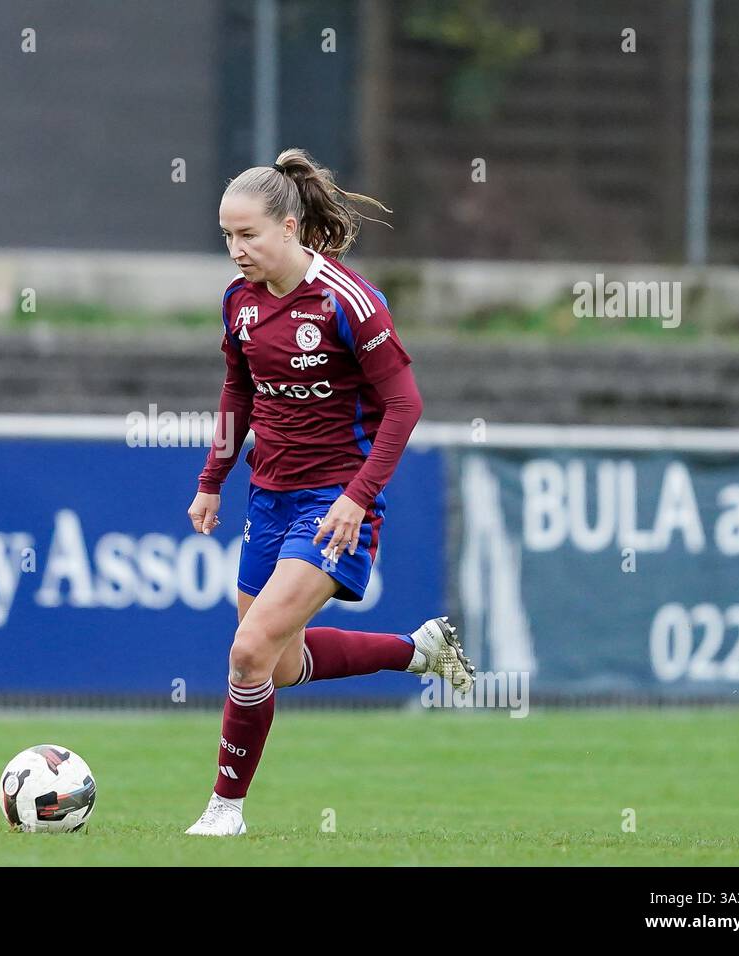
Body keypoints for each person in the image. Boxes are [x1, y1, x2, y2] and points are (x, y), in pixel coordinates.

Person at [184, 148, 476, 837]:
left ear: (289, 226)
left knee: (247, 652)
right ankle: (417, 651)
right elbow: (239, 392)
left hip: (334, 505)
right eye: (226, 235)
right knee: (278, 666)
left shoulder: (349, 300)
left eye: (248, 234)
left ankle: (225, 810)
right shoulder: (240, 304)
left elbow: (404, 406)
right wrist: (211, 480)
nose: (236, 250)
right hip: (269, 498)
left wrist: (357, 497)